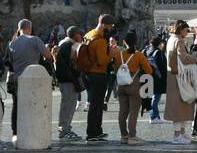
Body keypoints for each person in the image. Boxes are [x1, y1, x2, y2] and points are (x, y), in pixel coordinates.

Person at [77, 15, 120, 143]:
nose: (111, 29)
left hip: (88, 73)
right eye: (110, 26)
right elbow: (102, 61)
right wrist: (111, 54)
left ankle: (97, 131)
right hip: (97, 74)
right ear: (103, 24)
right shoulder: (100, 40)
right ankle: (92, 133)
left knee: (96, 104)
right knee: (96, 105)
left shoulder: (89, 34)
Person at [6, 19, 50, 138]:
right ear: (29, 28)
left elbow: (9, 61)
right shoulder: (35, 40)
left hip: (16, 78)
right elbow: (48, 56)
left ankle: (15, 132)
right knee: (32, 104)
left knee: (16, 105)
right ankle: (31, 131)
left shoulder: (11, 43)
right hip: (31, 79)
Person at [116, 32, 153, 145]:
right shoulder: (138, 55)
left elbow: (115, 68)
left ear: (124, 42)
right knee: (133, 112)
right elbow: (149, 71)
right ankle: (132, 136)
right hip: (133, 84)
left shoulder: (119, 54)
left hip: (121, 85)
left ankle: (123, 136)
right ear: (136, 42)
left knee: (122, 112)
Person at [164, 20, 197, 145]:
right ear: (180, 29)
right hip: (179, 76)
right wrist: (195, 57)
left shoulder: (171, 39)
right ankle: (177, 135)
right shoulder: (179, 40)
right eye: (185, 30)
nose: (187, 33)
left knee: (182, 104)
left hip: (173, 75)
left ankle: (182, 133)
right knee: (179, 105)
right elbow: (184, 58)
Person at [53, 26, 84, 140]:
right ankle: (64, 130)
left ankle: (65, 129)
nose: (81, 36)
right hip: (68, 80)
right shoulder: (69, 45)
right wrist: (74, 77)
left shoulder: (64, 43)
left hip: (65, 79)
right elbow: (69, 65)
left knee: (68, 105)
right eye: (79, 34)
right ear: (75, 34)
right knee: (68, 106)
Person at [145, 35, 167, 121]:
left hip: (149, 77)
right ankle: (155, 116)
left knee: (152, 97)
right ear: (159, 43)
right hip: (158, 78)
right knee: (156, 98)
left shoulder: (147, 51)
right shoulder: (158, 52)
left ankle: (153, 115)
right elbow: (162, 66)